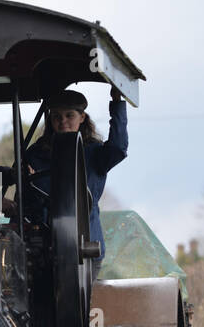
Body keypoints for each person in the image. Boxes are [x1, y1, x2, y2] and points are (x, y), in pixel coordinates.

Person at [24, 87, 127, 260]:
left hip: (86, 248)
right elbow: (26, 198)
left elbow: (118, 148)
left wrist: (117, 104)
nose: (62, 121)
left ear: (82, 117)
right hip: (44, 249)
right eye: (56, 116)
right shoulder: (36, 154)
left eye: (69, 115)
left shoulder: (95, 153)